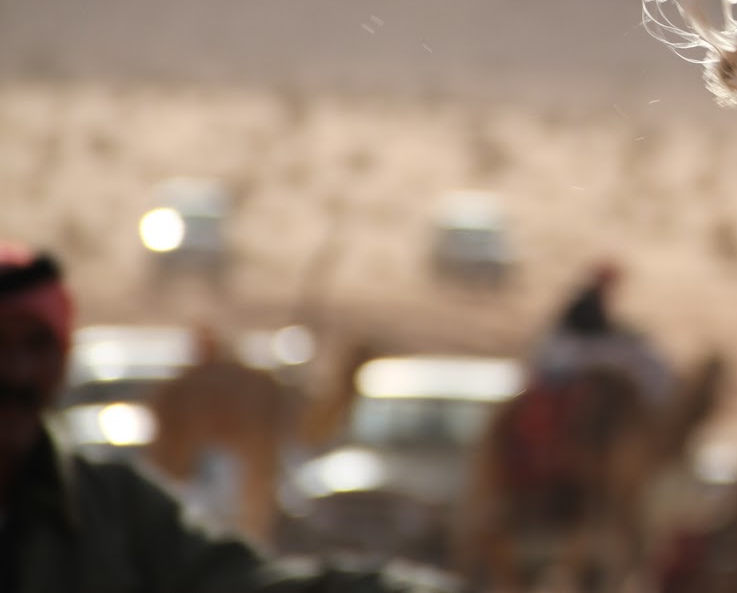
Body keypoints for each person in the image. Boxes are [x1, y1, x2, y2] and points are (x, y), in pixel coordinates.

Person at [0, 245, 453, 592]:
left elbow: (251, 581)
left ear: (61, 360)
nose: (15, 371)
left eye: (35, 345)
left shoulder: (115, 511)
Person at [527, 261, 674, 406]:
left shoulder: (593, 300)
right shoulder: (586, 301)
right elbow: (593, 329)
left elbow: (602, 327)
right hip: (567, 356)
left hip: (575, 351)